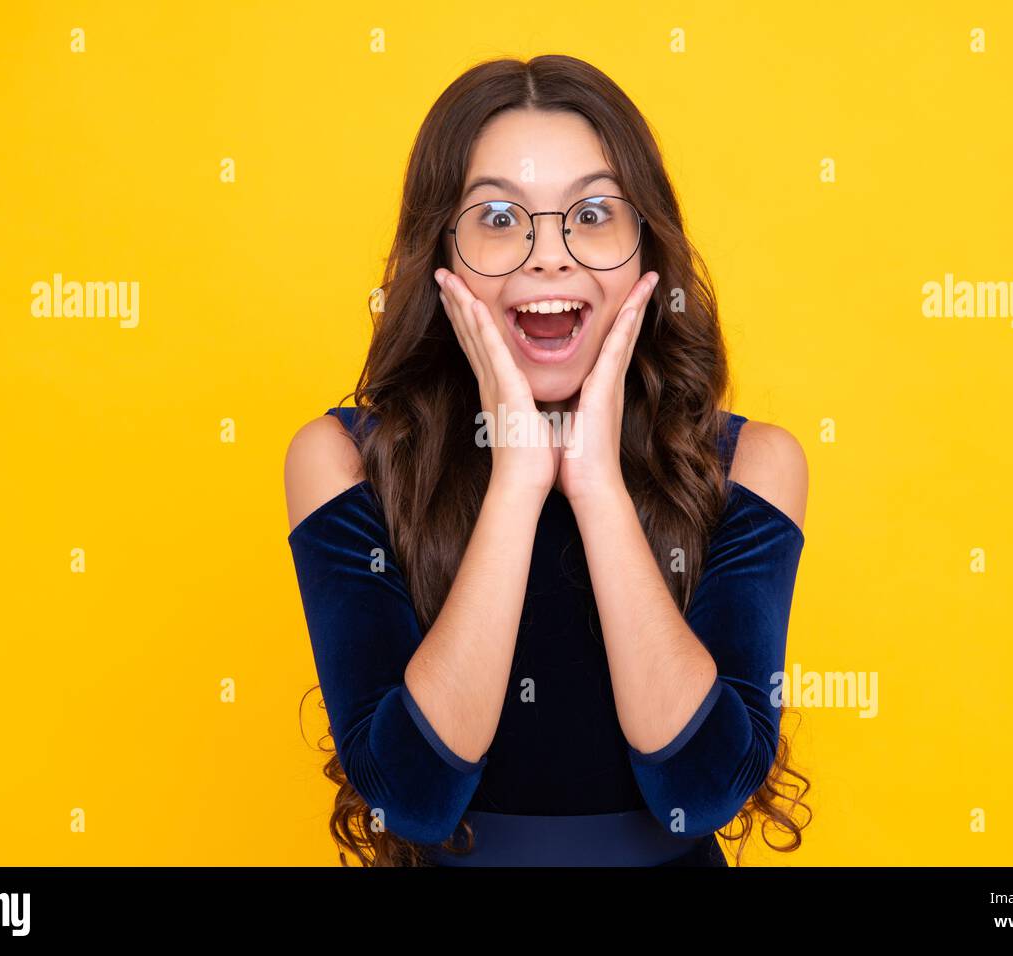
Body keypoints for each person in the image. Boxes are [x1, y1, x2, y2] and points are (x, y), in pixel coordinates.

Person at [285, 54, 810, 866]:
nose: (550, 256)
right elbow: (413, 797)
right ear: (443, 257)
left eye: (593, 212)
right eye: (499, 218)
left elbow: (700, 790)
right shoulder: (342, 461)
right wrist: (519, 481)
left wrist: (596, 485)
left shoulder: (752, 466)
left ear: (647, 252)